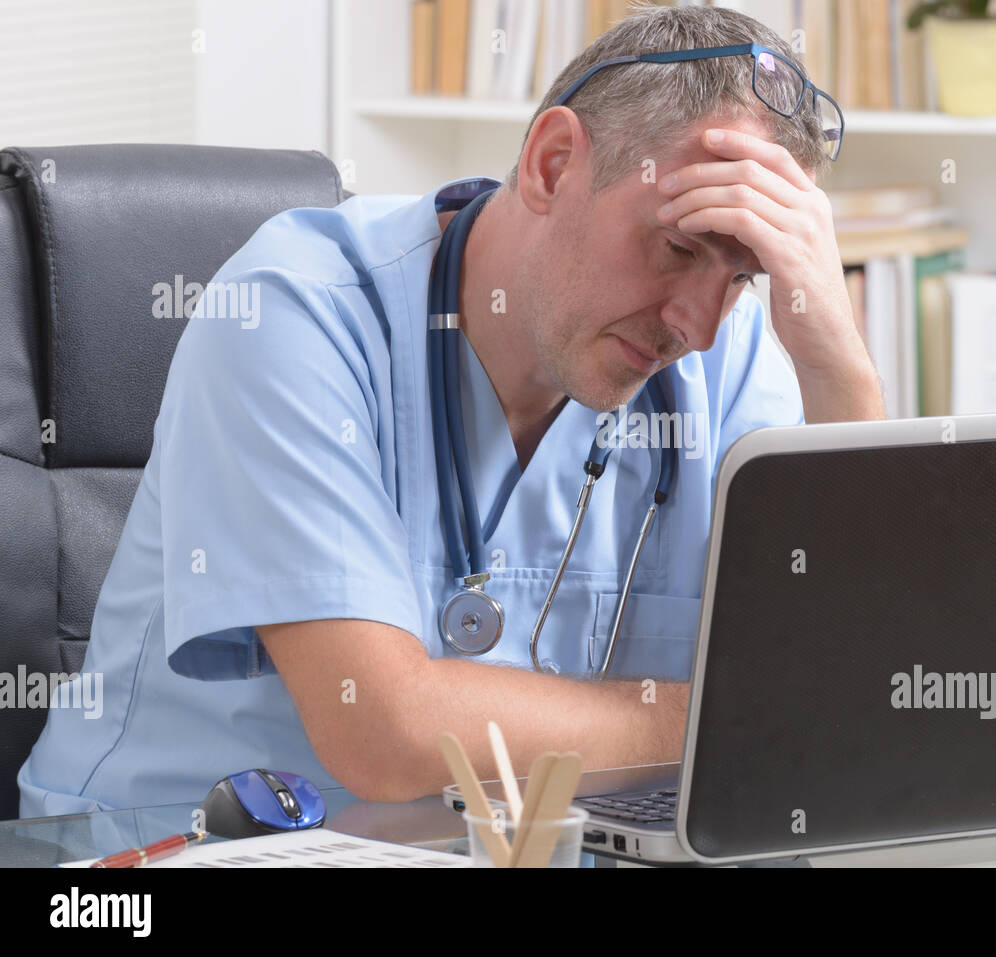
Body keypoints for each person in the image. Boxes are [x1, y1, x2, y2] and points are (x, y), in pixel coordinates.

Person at [18, 3, 883, 816]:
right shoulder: (292, 311)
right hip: (172, 852)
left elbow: (861, 677)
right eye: (678, 247)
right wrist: (740, 719)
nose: (696, 325)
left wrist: (835, 359)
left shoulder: (722, 360)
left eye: (741, 276)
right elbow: (386, 733)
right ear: (551, 164)